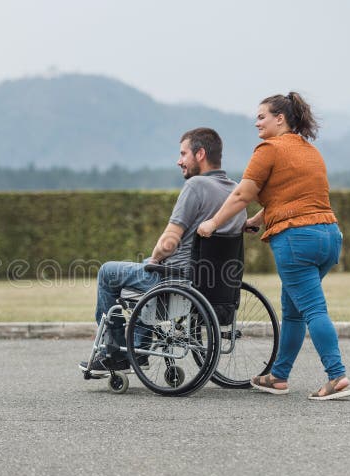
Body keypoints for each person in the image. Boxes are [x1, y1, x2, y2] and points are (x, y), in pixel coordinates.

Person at [197, 92, 350, 400]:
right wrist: (257, 219)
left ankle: (337, 377)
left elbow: (242, 194)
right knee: (293, 311)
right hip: (329, 237)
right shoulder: (310, 151)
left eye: (261, 116)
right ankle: (278, 377)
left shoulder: (268, 150)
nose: (256, 122)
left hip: (297, 240)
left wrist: (212, 223)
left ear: (280, 118)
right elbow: (294, 199)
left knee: (312, 309)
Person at [80, 127, 247, 374]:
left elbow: (169, 242)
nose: (179, 161)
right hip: (215, 284)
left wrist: (155, 259)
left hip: (177, 279)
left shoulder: (196, 186)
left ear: (200, 154)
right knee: (146, 271)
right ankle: (138, 346)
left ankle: (114, 353)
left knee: (109, 272)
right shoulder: (235, 191)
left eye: (183, 154)